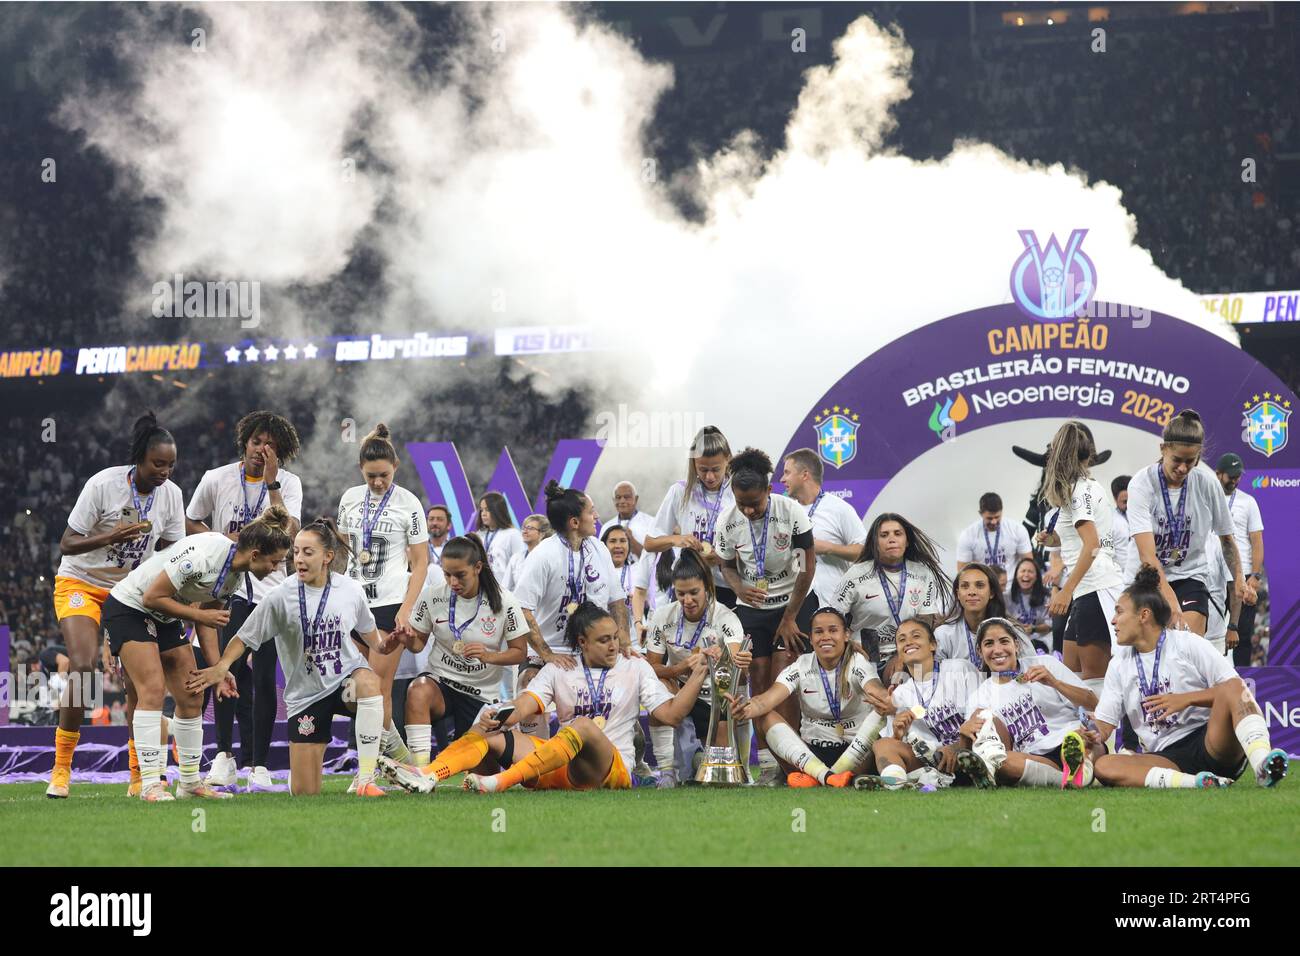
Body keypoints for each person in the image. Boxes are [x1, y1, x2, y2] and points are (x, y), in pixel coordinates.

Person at [186, 518, 393, 797]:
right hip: (305, 697)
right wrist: (221, 667)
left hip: (344, 682)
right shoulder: (280, 596)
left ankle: (366, 778)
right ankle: (394, 748)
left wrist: (386, 645)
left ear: (328, 557)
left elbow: (372, 639)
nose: (299, 559)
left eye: (308, 552)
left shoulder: (351, 590)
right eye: (296, 552)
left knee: (368, 682)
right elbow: (244, 637)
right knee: (304, 793)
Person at [415, 602, 709, 792]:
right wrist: (500, 715)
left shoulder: (635, 665)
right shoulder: (560, 669)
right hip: (561, 767)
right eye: (604, 640)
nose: (614, 646)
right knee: (488, 732)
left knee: (580, 725)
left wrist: (698, 675)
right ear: (582, 642)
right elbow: (524, 706)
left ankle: (501, 782)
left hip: (611, 769)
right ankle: (427, 774)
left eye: (615, 638)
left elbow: (671, 714)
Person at [104, 507, 294, 801]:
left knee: (193, 692)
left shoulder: (236, 576)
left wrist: (218, 671)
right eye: (274, 562)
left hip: (165, 615)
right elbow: (152, 597)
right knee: (152, 689)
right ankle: (151, 783)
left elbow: (207, 620)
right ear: (255, 554)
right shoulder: (205, 556)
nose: (276, 569)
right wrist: (200, 618)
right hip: (130, 607)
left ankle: (190, 783)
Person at [47, 412, 186, 799]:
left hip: (130, 591)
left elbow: (170, 551)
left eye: (171, 465)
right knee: (83, 666)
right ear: (140, 459)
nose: (165, 472)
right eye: (158, 463)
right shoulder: (104, 485)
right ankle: (61, 770)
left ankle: (138, 775)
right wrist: (112, 535)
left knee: (138, 680)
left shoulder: (171, 495)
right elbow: (68, 543)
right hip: (82, 581)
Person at [1088, 566, 1288, 789]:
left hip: (1211, 743)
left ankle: (1262, 764)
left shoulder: (1187, 644)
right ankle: (1200, 783)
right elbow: (1105, 724)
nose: (1114, 621)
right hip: (1165, 757)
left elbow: (1237, 690)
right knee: (1105, 765)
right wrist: (1090, 733)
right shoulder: (1118, 664)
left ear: (1144, 615)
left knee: (1232, 686)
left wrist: (1187, 699)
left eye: (1119, 612)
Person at [188, 410, 303, 791]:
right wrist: (220, 544)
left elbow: (289, 533)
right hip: (229, 589)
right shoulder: (216, 478)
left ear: (280, 452)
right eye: (256, 442)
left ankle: (259, 765)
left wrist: (272, 485)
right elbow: (191, 519)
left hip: (272, 591)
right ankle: (223, 756)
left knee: (266, 679)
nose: (261, 449)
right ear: (245, 442)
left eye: (270, 445)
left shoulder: (289, 483)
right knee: (227, 670)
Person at [378, 534, 529, 779]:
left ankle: (434, 770)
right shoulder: (433, 596)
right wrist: (405, 639)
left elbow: (520, 652)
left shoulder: (504, 601)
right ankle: (420, 773)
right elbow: (418, 646)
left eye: (460, 575)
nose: (452, 582)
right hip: (442, 682)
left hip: (481, 695)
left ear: (478, 567)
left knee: (480, 777)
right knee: (418, 690)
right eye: (447, 574)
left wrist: (489, 656)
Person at [715, 447, 817, 786]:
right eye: (741, 503)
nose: (747, 510)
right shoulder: (728, 522)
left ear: (769, 491)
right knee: (756, 680)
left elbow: (807, 568)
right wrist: (740, 589)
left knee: (784, 679)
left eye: (754, 504)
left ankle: (795, 763)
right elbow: (726, 565)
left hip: (796, 602)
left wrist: (789, 617)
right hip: (754, 608)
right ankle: (770, 765)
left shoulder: (792, 513)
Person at [335, 424, 429, 769]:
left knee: (378, 687)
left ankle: (369, 769)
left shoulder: (409, 503)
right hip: (351, 604)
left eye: (384, 475)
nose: (378, 482)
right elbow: (343, 555)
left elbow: (420, 563)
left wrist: (406, 609)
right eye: (372, 476)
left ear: (396, 467)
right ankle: (401, 761)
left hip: (389, 604)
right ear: (361, 469)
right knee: (356, 692)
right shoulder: (348, 498)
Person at [512, 482, 628, 735]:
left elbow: (616, 600)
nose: (597, 516)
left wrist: (625, 644)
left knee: (628, 684)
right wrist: (546, 654)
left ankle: (633, 761)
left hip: (593, 649)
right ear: (575, 522)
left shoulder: (599, 549)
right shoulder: (543, 555)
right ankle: (533, 763)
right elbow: (521, 609)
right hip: (551, 651)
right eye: (591, 511)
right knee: (528, 681)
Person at [728, 608, 890, 787]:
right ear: (811, 639)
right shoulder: (801, 665)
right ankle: (829, 777)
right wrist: (747, 707)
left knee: (883, 710)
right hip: (810, 754)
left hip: (855, 753)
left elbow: (875, 688)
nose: (826, 637)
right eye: (819, 632)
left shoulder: (857, 662)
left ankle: (823, 777)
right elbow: (767, 699)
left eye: (833, 630)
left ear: (846, 635)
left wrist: (886, 699)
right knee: (763, 714)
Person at [1125, 410, 1243, 636]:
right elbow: (1148, 557)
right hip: (1146, 578)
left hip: (1189, 576)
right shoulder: (1142, 484)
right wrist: (1171, 602)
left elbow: (1227, 539)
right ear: (1163, 449)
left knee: (1187, 647)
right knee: (1145, 653)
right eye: (1176, 460)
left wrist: (1239, 578)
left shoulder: (1207, 484)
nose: (1182, 468)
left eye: (1190, 461)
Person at [643, 550, 748, 787]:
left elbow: (735, 664)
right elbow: (650, 668)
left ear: (708, 588)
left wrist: (722, 659)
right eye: (681, 594)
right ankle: (667, 771)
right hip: (679, 694)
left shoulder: (726, 618)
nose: (687, 600)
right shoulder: (661, 616)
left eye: (693, 593)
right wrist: (677, 669)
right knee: (656, 689)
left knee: (720, 780)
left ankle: (698, 760)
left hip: (715, 700)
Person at [1040, 420, 1124, 707]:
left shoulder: (1079, 492)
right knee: (1073, 680)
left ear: (1059, 456)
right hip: (1085, 593)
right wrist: (1052, 540)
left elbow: (1091, 546)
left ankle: (1108, 750)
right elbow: (1081, 542)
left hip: (1094, 591)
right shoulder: (1082, 489)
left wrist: (1065, 590)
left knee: (1093, 687)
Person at [957, 617, 1097, 789]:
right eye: (989, 644)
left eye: (1004, 641)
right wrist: (964, 732)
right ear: (980, 651)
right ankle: (1071, 778)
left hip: (1072, 739)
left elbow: (1093, 703)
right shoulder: (980, 696)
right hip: (1037, 758)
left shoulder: (1045, 664)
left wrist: (1054, 682)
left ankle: (1076, 772)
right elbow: (971, 749)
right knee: (1001, 761)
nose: (997, 649)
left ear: (1016, 645)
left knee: (1087, 740)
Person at [833, 513, 951, 676]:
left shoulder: (923, 574)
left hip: (907, 651)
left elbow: (925, 623)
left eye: (898, 533)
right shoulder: (856, 574)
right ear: (875, 542)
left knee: (908, 679)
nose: (892, 539)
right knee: (874, 691)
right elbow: (832, 617)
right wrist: (848, 643)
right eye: (884, 535)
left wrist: (902, 655)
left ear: (907, 541)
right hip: (865, 653)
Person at [872, 619, 981, 788]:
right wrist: (897, 735)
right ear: (899, 654)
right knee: (882, 745)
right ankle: (898, 784)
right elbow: (894, 746)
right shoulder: (899, 693)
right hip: (932, 760)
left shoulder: (960, 669)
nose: (908, 642)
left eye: (916, 636)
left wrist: (957, 747)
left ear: (933, 645)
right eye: (901, 640)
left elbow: (980, 717)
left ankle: (920, 780)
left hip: (968, 753)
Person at [644, 425, 737, 607]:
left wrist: (722, 557)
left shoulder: (736, 493)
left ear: (728, 460)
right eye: (702, 469)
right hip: (689, 585)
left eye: (716, 469)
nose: (709, 477)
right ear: (693, 463)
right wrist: (676, 539)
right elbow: (649, 543)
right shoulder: (680, 492)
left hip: (728, 586)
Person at [779, 448, 867, 608]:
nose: (782, 479)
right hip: (794, 606)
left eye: (787, 472)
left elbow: (864, 552)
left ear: (805, 475)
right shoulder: (783, 512)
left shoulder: (839, 508)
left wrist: (829, 548)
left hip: (834, 602)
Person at [1214, 453, 1264, 667]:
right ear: (1218, 474)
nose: (1234, 480)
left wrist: (1255, 575)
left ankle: (1244, 682)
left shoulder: (1248, 502)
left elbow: (1257, 541)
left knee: (1242, 635)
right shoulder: (1207, 499)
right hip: (1212, 576)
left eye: (1237, 476)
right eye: (1230, 476)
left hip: (1240, 576)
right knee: (1212, 633)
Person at [934, 563, 1007, 665]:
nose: (972, 592)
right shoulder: (943, 635)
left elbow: (1027, 672)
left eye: (980, 585)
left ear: (991, 593)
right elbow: (934, 678)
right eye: (965, 586)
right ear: (958, 594)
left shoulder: (1011, 631)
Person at [955, 492, 1033, 573]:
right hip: (984, 584)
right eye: (989, 518)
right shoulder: (968, 535)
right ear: (981, 514)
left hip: (1011, 584)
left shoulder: (1017, 530)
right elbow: (962, 571)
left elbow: (1029, 563)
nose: (994, 522)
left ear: (1002, 512)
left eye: (997, 517)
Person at [476, 492, 526, 580]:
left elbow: (519, 567)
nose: (483, 514)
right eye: (482, 510)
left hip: (504, 590)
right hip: (483, 589)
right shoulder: (479, 535)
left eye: (487, 510)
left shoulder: (512, 534)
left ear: (498, 510)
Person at [1006, 556, 1052, 648]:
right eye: (1023, 571)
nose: (1026, 575)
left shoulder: (1047, 597)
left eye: (1030, 571)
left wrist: (1034, 629)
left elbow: (1050, 625)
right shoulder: (1006, 596)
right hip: (1013, 641)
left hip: (1040, 641)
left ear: (1036, 577)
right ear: (1016, 575)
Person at [600, 523, 636, 627]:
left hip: (635, 638)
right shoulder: (595, 573)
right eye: (612, 541)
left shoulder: (638, 570)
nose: (618, 545)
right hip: (605, 634)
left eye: (623, 541)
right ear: (604, 545)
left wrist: (639, 601)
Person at [504, 513, 550, 591]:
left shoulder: (548, 558)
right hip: (517, 602)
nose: (525, 531)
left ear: (542, 533)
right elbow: (505, 588)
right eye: (524, 528)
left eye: (530, 528)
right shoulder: (516, 558)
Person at [608, 481, 655, 558]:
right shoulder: (607, 527)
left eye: (626, 497)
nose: (622, 501)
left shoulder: (651, 523)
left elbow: (653, 560)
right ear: (614, 500)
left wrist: (631, 541)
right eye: (618, 497)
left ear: (636, 499)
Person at [1110, 475, 1134, 581]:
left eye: (1131, 500)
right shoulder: (1110, 522)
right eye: (1124, 502)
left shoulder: (1146, 515)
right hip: (1121, 579)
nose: (1129, 505)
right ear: (1115, 499)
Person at [426, 504, 451, 568]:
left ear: (449, 525)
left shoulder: (457, 547)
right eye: (431, 519)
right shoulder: (418, 547)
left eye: (440, 519)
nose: (434, 523)